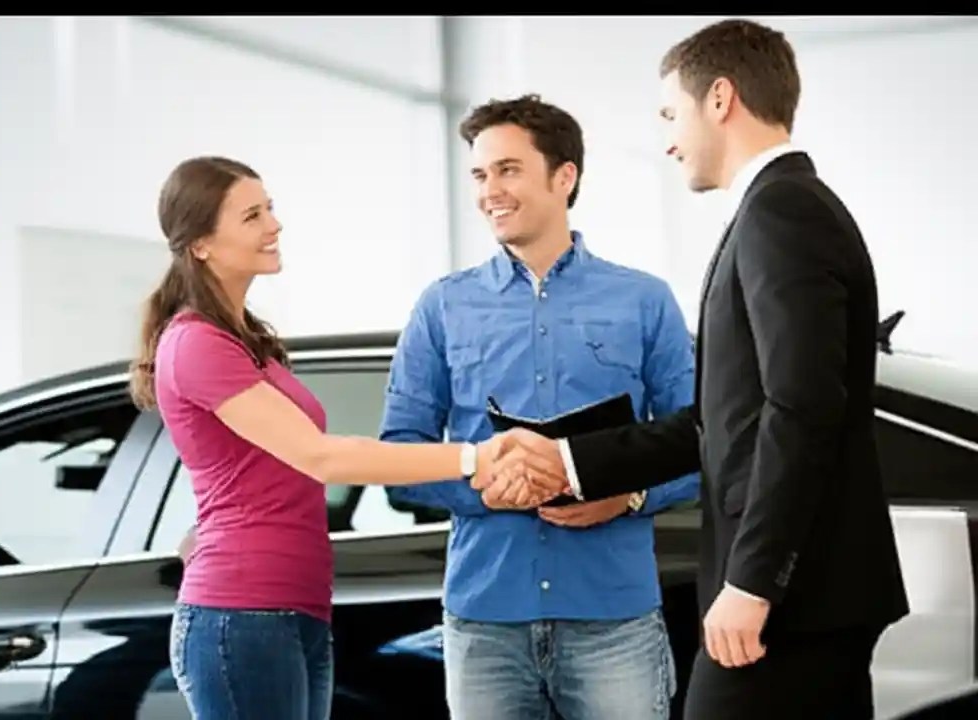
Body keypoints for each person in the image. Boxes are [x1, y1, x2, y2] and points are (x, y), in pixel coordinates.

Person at [474, 19, 910, 720]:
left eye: (670, 114)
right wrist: (567, 460)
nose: (668, 138)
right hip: (804, 599)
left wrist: (754, 582)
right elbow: (722, 420)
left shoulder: (783, 212)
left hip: (790, 603)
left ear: (721, 99)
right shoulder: (778, 209)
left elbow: (801, 411)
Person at [128, 155, 556, 720]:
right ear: (202, 244)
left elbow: (247, 469)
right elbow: (321, 457)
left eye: (270, 209)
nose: (273, 226)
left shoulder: (242, 340)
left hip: (291, 605)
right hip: (245, 613)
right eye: (252, 215)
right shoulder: (198, 344)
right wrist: (474, 456)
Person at [379, 94, 700, 720]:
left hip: (615, 619)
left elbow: (704, 440)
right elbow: (399, 455)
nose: (490, 191)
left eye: (508, 170)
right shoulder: (443, 306)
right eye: (479, 174)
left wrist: (627, 495)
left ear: (565, 176)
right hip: (485, 622)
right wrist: (486, 487)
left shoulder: (645, 301)